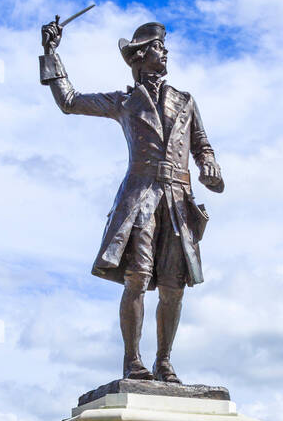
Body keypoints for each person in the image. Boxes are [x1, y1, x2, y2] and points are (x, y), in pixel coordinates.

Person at [39, 19, 224, 383]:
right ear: (141, 56)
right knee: (137, 278)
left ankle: (165, 361)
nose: (166, 52)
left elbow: (203, 145)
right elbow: (71, 102)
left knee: (173, 286)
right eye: (158, 47)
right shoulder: (125, 102)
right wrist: (50, 53)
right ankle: (132, 361)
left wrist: (210, 166)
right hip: (140, 200)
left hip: (178, 202)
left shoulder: (185, 101)